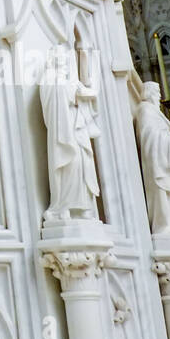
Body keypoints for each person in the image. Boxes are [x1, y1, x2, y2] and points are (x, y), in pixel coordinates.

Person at [40, 47, 100, 222]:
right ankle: (62, 205)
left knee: (83, 164)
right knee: (69, 164)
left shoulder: (68, 81)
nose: (65, 63)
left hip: (76, 126)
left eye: (66, 60)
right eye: (61, 59)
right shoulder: (49, 79)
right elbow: (51, 104)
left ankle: (82, 207)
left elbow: (89, 94)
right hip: (62, 130)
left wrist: (85, 90)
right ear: (53, 60)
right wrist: (73, 92)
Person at [135, 79, 170, 234]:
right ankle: (163, 226)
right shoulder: (145, 110)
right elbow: (151, 137)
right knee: (163, 196)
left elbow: (159, 133)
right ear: (149, 94)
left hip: (164, 160)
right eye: (156, 93)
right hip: (158, 164)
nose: (159, 97)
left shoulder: (153, 111)